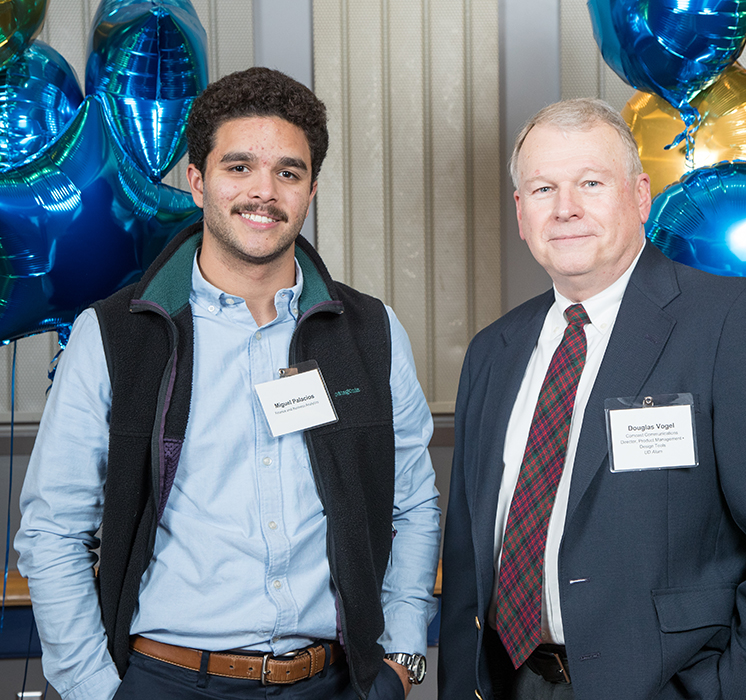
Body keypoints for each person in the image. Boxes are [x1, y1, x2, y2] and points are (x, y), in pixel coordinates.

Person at [16, 67, 440, 700]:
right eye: (239, 167)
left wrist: (403, 657)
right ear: (197, 181)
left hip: (334, 681)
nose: (263, 191)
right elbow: (53, 531)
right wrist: (93, 689)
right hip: (166, 681)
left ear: (311, 190)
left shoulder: (371, 332)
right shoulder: (112, 336)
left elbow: (413, 504)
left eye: (288, 173)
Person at [438, 97, 746, 700]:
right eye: (544, 189)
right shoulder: (493, 351)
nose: (566, 208)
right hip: (512, 683)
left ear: (639, 197)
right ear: (522, 213)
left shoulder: (733, 322)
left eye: (591, 183)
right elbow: (468, 557)